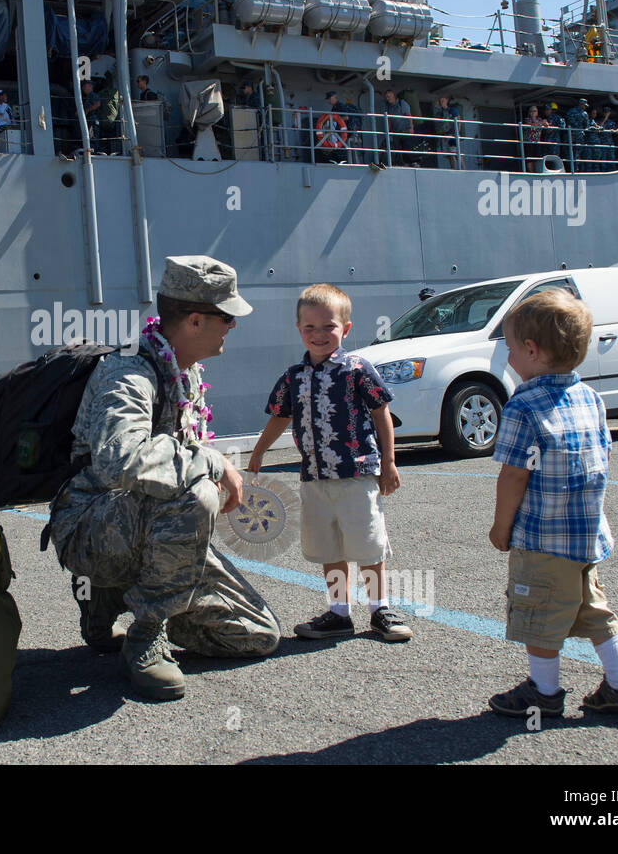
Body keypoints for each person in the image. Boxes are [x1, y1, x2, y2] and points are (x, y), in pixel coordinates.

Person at [42, 255, 281, 700]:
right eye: (226, 316)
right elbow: (120, 459)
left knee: (255, 635)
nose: (232, 325)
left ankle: (113, 595)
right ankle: (146, 634)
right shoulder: (127, 373)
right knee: (198, 495)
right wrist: (210, 460)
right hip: (91, 526)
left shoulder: (183, 371)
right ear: (194, 320)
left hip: (142, 527)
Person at [487, 290, 618, 718]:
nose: (507, 356)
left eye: (509, 347)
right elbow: (603, 457)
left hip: (543, 536)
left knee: (537, 611)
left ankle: (543, 692)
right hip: (585, 533)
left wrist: (501, 527)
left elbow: (514, 474)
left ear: (531, 350)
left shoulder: (522, 406)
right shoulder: (590, 398)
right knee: (593, 607)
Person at [248, 284, 412, 644]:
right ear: (299, 329)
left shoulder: (357, 368)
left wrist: (389, 461)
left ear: (346, 329)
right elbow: (280, 415)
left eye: (329, 327)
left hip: (357, 475)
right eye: (310, 328)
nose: (319, 335)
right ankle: (339, 612)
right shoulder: (294, 376)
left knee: (368, 543)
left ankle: (380, 609)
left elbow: (381, 410)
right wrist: (259, 452)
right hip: (314, 479)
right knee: (329, 547)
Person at [315, 91, 355, 164]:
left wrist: (336, 120)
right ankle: (336, 161)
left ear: (334, 97)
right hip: (337, 132)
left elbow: (346, 117)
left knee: (341, 149)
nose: (328, 101)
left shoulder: (340, 106)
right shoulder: (335, 107)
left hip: (344, 132)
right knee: (336, 147)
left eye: (329, 99)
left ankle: (343, 162)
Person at [381, 88, 412, 165]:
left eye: (389, 96)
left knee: (407, 148)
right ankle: (400, 163)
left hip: (405, 130)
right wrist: (388, 131)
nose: (388, 98)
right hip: (395, 132)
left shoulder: (402, 103)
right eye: (387, 97)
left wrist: (411, 128)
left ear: (394, 96)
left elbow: (409, 115)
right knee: (396, 148)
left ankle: (410, 162)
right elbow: (389, 119)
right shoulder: (388, 107)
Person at [430, 94, 461, 168]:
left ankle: (462, 168)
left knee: (455, 152)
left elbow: (458, 120)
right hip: (444, 135)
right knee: (449, 154)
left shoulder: (452, 110)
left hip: (452, 135)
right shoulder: (440, 112)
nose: (441, 102)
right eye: (440, 101)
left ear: (447, 100)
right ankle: (453, 168)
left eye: (443, 100)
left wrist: (457, 133)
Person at [564, 98, 591, 173]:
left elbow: (568, 121)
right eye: (584, 105)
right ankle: (575, 169)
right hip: (578, 135)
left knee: (569, 152)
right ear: (581, 104)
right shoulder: (584, 113)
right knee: (577, 154)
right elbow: (586, 126)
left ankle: (569, 169)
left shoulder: (570, 111)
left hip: (570, 135)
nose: (585, 107)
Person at [521, 104, 547, 172]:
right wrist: (542, 122)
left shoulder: (539, 119)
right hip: (529, 141)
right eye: (531, 111)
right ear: (529, 112)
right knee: (529, 158)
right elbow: (531, 125)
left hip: (537, 141)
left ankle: (536, 171)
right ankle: (531, 171)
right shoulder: (527, 119)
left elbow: (546, 125)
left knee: (536, 157)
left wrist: (546, 123)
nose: (533, 112)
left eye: (535, 111)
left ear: (537, 112)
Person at [544, 102, 566, 168]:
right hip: (555, 141)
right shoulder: (559, 118)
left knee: (551, 159)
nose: (545, 111)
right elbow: (563, 127)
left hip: (551, 141)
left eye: (547, 109)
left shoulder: (552, 118)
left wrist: (551, 128)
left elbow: (549, 130)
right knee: (554, 158)